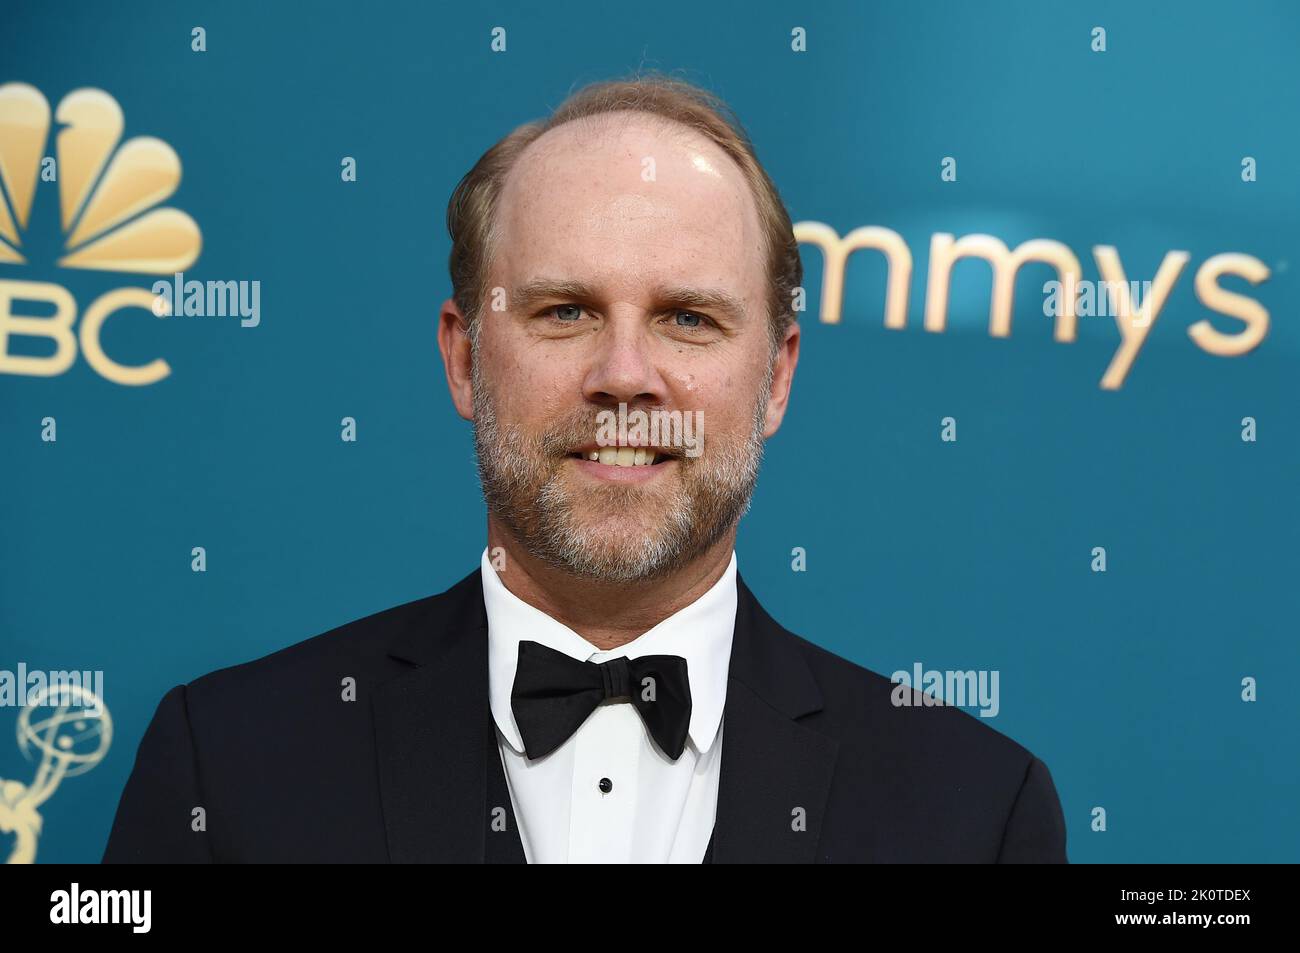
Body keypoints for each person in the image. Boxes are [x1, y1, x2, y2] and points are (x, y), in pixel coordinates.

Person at [103, 74, 1067, 863]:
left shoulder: (975, 812)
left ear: (776, 377)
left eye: (688, 317)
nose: (624, 379)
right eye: (564, 310)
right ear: (464, 357)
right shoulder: (227, 766)